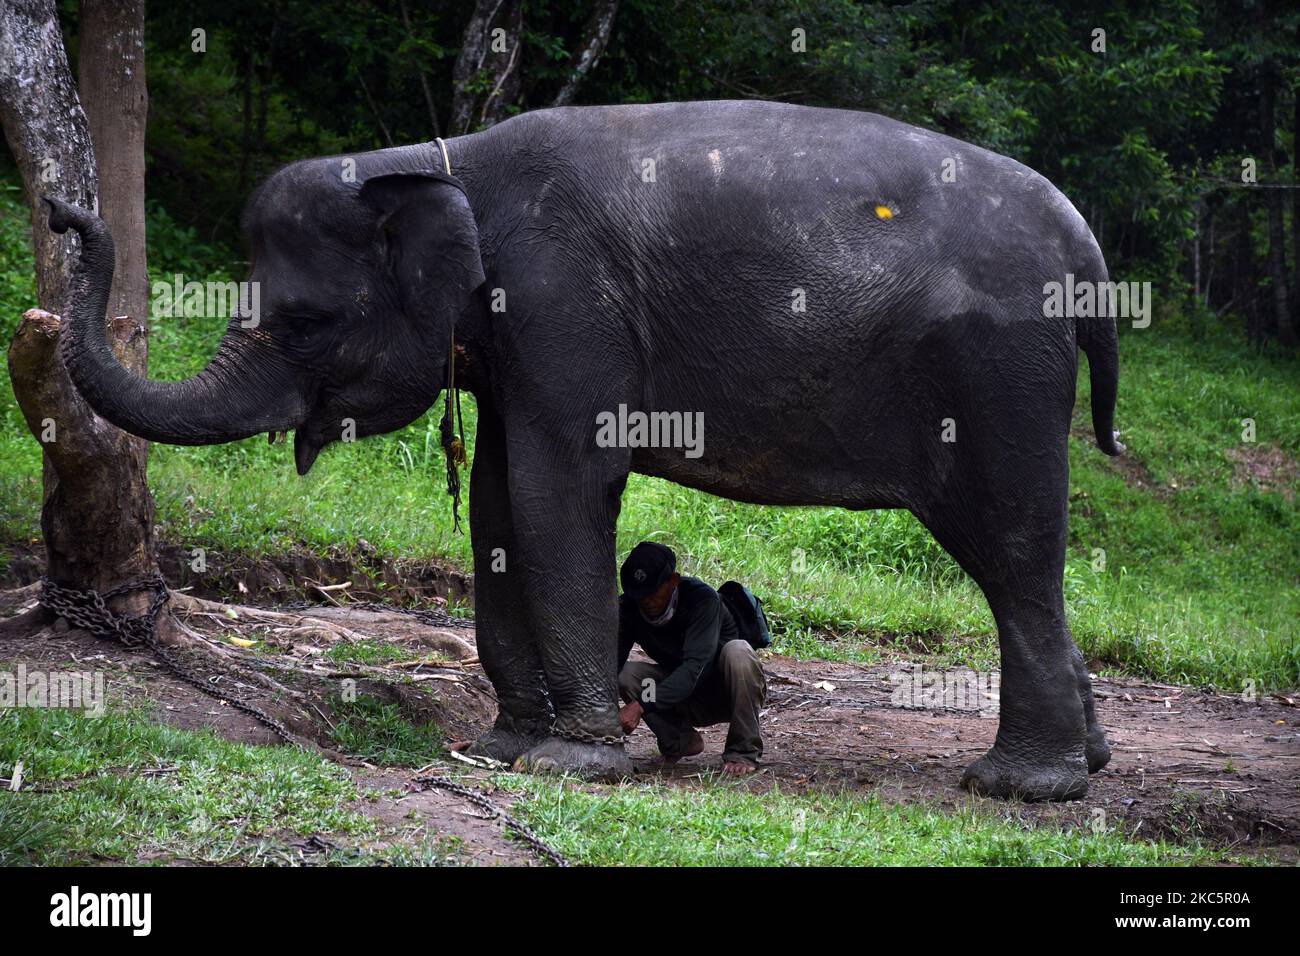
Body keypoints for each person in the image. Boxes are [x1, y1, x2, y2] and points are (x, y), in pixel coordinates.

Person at [616, 541, 766, 775]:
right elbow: (613, 663)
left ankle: (743, 751)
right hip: (680, 698)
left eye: (653, 592)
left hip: (727, 693)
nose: (646, 601)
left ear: (673, 581)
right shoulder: (630, 608)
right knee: (628, 675)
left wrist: (640, 706)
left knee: (739, 651)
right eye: (639, 595)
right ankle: (679, 740)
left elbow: (697, 667)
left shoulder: (703, 600)